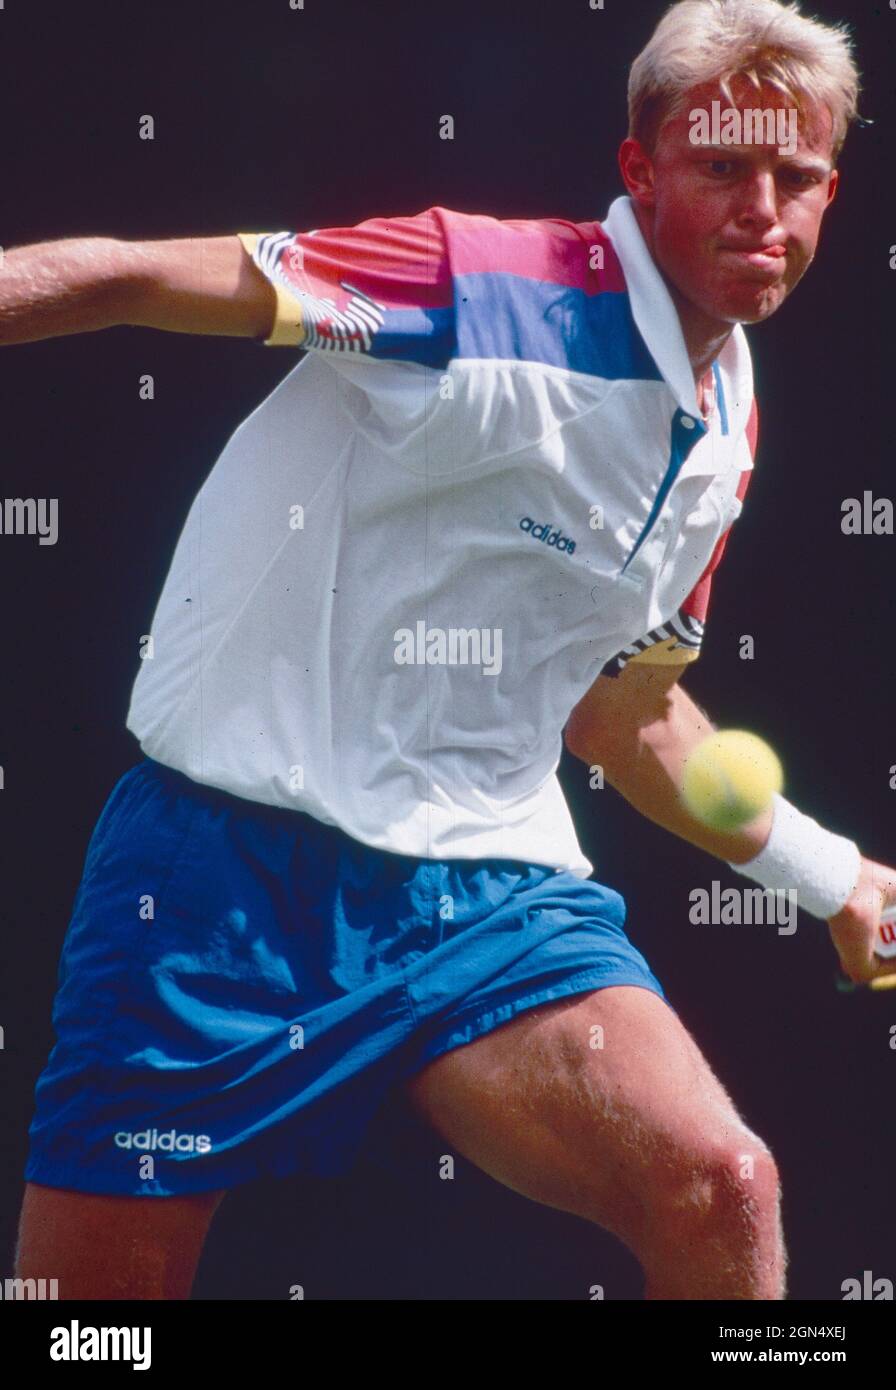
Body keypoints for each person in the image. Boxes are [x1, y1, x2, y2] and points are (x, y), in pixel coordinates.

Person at [7, 0, 893, 1300]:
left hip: (485, 894)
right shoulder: (469, 284)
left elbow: (619, 708)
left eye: (796, 175)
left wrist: (836, 875)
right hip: (220, 879)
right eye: (722, 168)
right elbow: (131, 274)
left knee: (724, 1187)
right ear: (638, 173)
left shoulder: (730, 413)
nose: (765, 206)